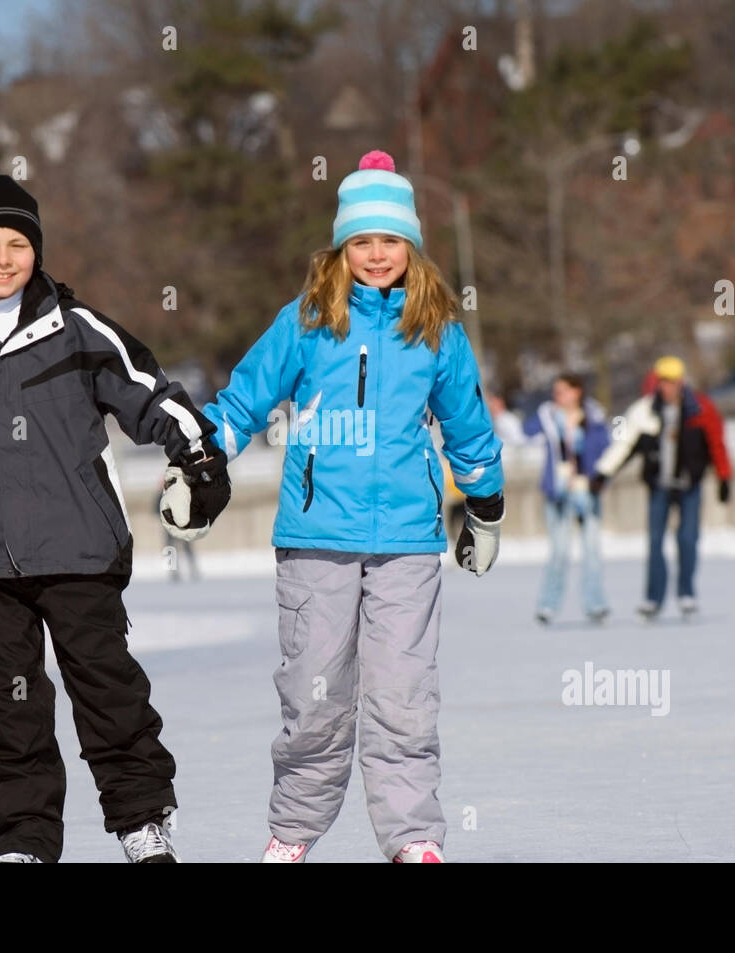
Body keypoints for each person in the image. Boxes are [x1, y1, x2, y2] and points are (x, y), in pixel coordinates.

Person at [0, 174, 230, 864]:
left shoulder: (76, 330)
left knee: (108, 691)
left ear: (36, 251)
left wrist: (200, 458)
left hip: (80, 552)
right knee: (7, 711)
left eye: (17, 243)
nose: (3, 257)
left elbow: (151, 391)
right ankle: (26, 840)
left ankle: (140, 820)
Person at [190, 150, 504, 863]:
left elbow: (466, 421)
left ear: (411, 245)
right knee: (313, 695)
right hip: (314, 537)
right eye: (361, 241)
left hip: (406, 541)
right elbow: (244, 399)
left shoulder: (437, 327)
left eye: (389, 240)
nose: (376, 254)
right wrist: (199, 465)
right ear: (341, 247)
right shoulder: (305, 321)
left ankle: (414, 837)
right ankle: (294, 831)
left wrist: (482, 502)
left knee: (403, 695)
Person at [592, 356, 731, 619]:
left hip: (690, 485)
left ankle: (686, 592)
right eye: (663, 382)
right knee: (655, 543)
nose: (667, 387)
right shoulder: (644, 411)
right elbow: (624, 445)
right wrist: (603, 473)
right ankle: (653, 598)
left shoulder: (700, 409)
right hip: (659, 486)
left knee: (687, 539)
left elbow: (716, 443)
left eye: (672, 382)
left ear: (681, 382)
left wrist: (724, 477)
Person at [524, 372, 611, 624]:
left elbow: (606, 447)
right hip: (558, 493)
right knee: (559, 552)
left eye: (562, 390)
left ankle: (596, 604)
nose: (557, 396)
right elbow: (523, 434)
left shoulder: (594, 416)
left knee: (592, 551)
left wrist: (596, 477)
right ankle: (547, 605)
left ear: (577, 391)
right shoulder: (548, 416)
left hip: (586, 491)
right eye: (555, 391)